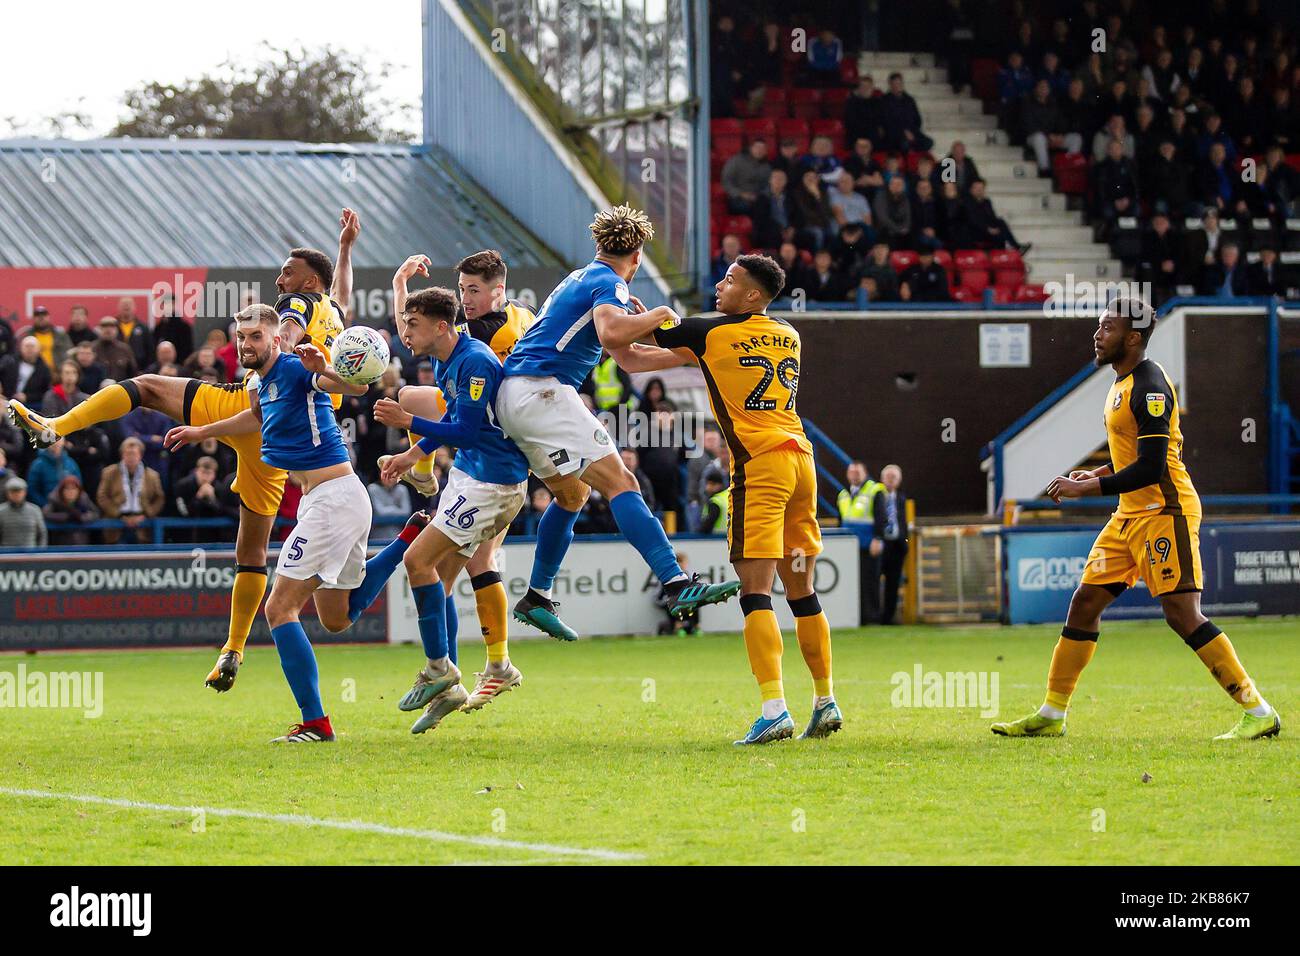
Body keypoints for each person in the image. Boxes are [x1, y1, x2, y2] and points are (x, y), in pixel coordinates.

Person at [8, 210, 361, 693]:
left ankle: (54, 427)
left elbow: (290, 327)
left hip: (256, 404)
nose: (281, 278)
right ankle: (233, 650)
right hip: (288, 433)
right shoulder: (337, 314)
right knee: (252, 550)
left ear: (308, 280)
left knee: (148, 386)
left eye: (288, 271)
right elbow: (339, 292)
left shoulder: (295, 305)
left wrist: (278, 348)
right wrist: (345, 249)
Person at [994, 299, 1281, 741]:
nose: (1097, 333)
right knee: (1085, 603)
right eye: (1099, 325)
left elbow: (1152, 467)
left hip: (1165, 511)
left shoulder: (1149, 386)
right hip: (1129, 514)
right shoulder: (1119, 384)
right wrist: (1100, 472)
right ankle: (1052, 713)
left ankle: (1257, 709)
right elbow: (1136, 455)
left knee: (1181, 613)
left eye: (1107, 326)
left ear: (1132, 338)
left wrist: (1085, 489)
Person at [165, 305, 426, 743]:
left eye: (256, 336)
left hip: (332, 501)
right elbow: (255, 417)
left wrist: (325, 368)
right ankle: (405, 540)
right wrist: (201, 431)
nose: (247, 343)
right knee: (337, 618)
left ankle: (315, 723)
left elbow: (348, 385)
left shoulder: (295, 366)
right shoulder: (263, 383)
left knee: (278, 608)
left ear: (276, 338)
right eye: (242, 336)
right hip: (336, 500)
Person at [613, 253, 842, 745]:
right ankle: (825, 700)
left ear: (753, 294)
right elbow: (640, 360)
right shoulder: (786, 334)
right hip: (802, 461)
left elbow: (628, 342)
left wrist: (631, 312)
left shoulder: (706, 331)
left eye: (731, 279)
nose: (720, 284)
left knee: (755, 592)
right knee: (802, 593)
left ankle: (774, 708)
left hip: (759, 465)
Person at [494, 205, 741, 640]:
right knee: (623, 483)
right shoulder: (608, 282)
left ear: (599, 245)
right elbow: (612, 334)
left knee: (573, 496)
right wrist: (662, 313)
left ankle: (537, 595)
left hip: (519, 395)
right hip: (544, 391)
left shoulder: (583, 277)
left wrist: (690, 355)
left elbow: (627, 358)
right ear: (638, 254)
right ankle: (677, 583)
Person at [373, 287, 532, 729]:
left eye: (413, 324)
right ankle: (452, 687)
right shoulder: (446, 357)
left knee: (415, 560)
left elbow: (465, 427)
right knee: (439, 580)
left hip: (492, 483)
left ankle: (439, 670)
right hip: (471, 475)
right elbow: (451, 422)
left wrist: (407, 422)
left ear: (442, 326)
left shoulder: (476, 361)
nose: (405, 332)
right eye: (405, 322)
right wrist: (411, 455)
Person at [96, 436, 164, 544]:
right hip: (116, 523)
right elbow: (102, 496)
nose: (131, 457)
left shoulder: (152, 475)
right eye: (127, 454)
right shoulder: (109, 472)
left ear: (140, 455)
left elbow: (159, 498)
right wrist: (118, 515)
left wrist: (147, 514)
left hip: (143, 523)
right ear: (122, 455)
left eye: (134, 454)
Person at [838, 460, 881, 624]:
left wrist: (877, 538)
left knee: (870, 581)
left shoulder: (874, 490)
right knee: (853, 583)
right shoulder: (843, 494)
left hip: (867, 545)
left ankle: (872, 617)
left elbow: (880, 517)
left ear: (865, 473)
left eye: (857, 472)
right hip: (848, 546)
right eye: (851, 472)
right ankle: (858, 617)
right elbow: (841, 519)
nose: (854, 476)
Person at [872, 464, 909, 625]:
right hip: (881, 543)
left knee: (893, 582)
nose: (891, 480)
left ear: (899, 480)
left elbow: (903, 521)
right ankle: (874, 615)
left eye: (894, 477)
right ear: (881, 479)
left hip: (897, 544)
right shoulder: (876, 495)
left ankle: (889, 617)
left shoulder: (900, 498)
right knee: (874, 579)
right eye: (888, 476)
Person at [42, 474, 99, 546]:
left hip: (81, 542)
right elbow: (45, 514)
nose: (70, 492)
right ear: (62, 490)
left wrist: (82, 517)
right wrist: (65, 517)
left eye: (74, 489)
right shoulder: (54, 500)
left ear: (79, 490)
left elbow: (95, 513)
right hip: (60, 543)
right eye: (67, 489)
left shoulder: (84, 499)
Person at [720, 139, 771, 216]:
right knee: (757, 208)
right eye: (757, 147)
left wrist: (761, 196)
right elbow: (726, 182)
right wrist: (741, 194)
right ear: (751, 148)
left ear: (766, 152)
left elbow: (768, 184)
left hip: (758, 198)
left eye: (763, 149)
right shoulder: (736, 161)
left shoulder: (767, 166)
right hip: (737, 198)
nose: (759, 151)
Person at [0, 336, 52, 409]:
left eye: (32, 346)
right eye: (27, 346)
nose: (29, 349)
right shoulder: (9, 361)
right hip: (6, 401)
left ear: (39, 349)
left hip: (30, 406)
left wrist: (28, 397)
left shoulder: (44, 369)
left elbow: (45, 393)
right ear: (20, 348)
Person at [17, 306, 71, 371]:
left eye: (44, 315)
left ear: (49, 317)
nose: (41, 318)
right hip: (34, 374)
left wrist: (62, 371)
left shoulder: (61, 335)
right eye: (37, 315)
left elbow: (69, 353)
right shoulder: (27, 336)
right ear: (33, 318)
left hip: (58, 374)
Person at [0, 477, 46, 548]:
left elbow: (42, 534)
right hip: (7, 554)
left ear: (25, 492)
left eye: (19, 491)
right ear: (7, 493)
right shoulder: (1, 511)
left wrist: (40, 551)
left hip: (31, 554)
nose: (16, 494)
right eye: (13, 492)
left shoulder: (34, 510)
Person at [91, 316, 138, 383]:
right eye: (104, 327)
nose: (108, 330)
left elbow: (133, 373)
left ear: (117, 330)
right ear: (99, 330)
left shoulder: (125, 349)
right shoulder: (92, 348)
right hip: (97, 391)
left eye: (112, 327)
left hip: (121, 389)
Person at [699, 468, 729, 535]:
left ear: (719, 485)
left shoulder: (715, 501)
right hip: (731, 538)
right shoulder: (729, 495)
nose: (708, 487)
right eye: (707, 484)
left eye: (712, 484)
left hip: (717, 539)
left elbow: (708, 524)